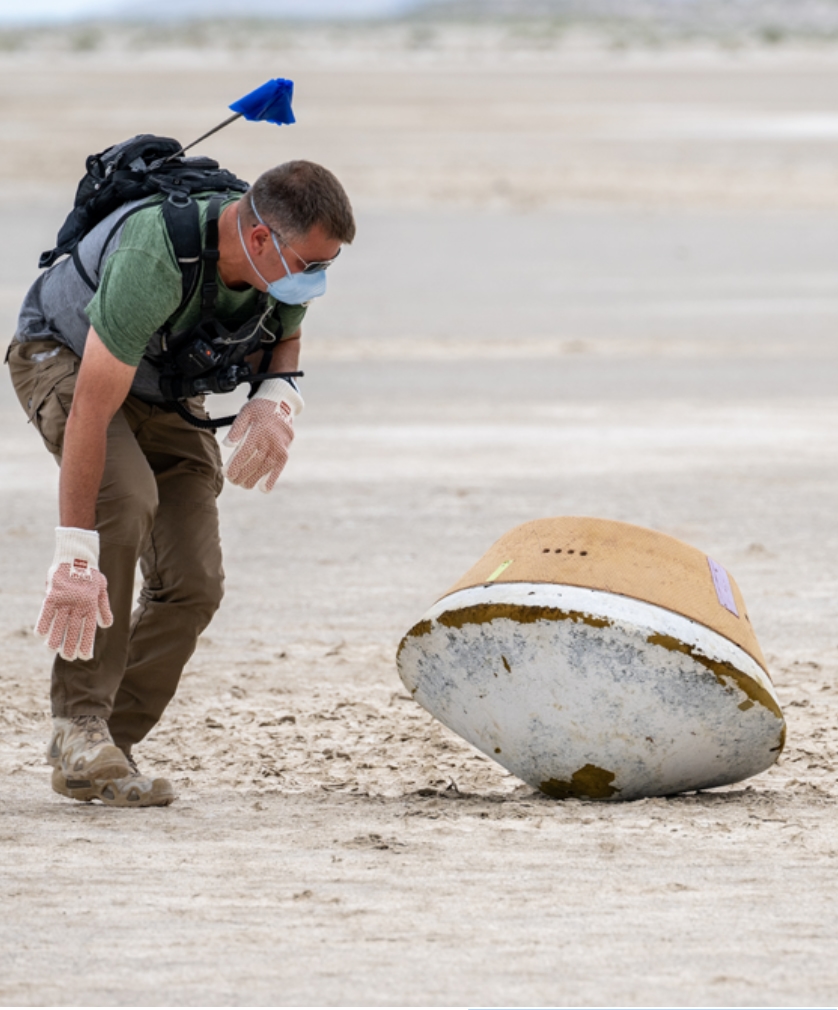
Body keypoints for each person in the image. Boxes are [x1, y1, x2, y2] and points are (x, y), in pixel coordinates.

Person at [6, 159, 355, 807]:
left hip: (163, 385)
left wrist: (274, 399)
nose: (317, 280)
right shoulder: (154, 258)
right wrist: (75, 558)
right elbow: (90, 409)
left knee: (194, 581)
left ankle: (107, 746)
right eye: (311, 264)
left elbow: (285, 336)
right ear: (258, 240)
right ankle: (78, 725)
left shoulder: (273, 265)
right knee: (126, 499)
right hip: (70, 360)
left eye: (327, 266)